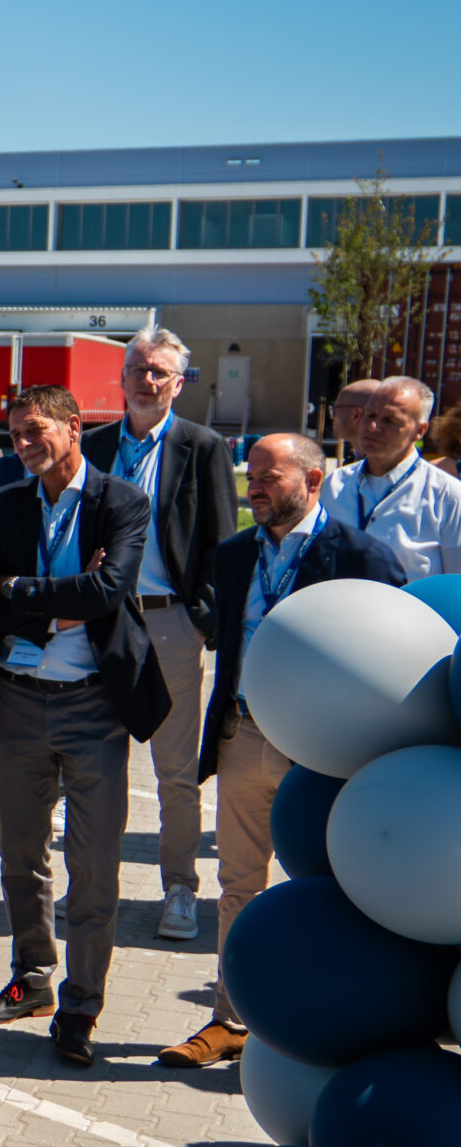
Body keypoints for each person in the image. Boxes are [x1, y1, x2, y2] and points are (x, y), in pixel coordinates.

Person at [159, 432, 405, 1070]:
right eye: (251, 478)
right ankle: (229, 1019)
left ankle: (322, 1025)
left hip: (322, 755)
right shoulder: (235, 553)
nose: (254, 489)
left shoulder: (361, 557)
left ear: (314, 481)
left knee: (322, 892)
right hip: (244, 736)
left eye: (269, 477)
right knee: (238, 885)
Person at [0, 384, 170, 1066]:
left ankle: (81, 1002)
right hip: (15, 700)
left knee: (94, 865)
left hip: (93, 705)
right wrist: (49, 605)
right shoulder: (10, 500)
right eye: (14, 433)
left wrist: (23, 590)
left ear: (75, 427)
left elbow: (109, 593)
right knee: (20, 856)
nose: (22, 445)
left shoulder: (121, 501)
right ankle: (33, 978)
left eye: (35, 430)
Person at [78, 326, 234, 941]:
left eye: (159, 372)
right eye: (138, 369)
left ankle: (179, 889)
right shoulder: (93, 445)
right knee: (95, 762)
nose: (147, 380)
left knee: (175, 769)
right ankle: (94, 884)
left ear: (178, 381)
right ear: (121, 377)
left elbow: (222, 539)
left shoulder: (203, 447)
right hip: (101, 622)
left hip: (170, 623)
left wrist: (203, 617)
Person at [318, 376, 461, 581]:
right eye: (370, 415)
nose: (373, 427)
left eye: (389, 420)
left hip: (408, 612)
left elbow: (455, 587)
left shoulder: (449, 496)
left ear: (419, 431)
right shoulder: (333, 485)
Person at [328, 377, 381, 465]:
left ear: (356, 414)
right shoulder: (354, 459)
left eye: (335, 410)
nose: (333, 417)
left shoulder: (381, 469)